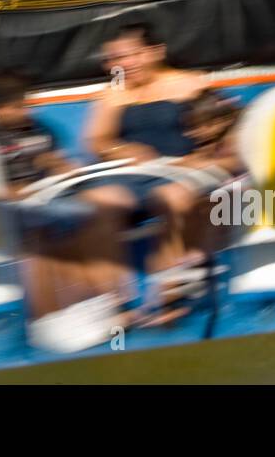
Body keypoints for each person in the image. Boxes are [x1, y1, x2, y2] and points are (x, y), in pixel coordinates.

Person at [84, 20, 240, 323]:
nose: (124, 64)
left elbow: (227, 128)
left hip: (184, 173)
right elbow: (97, 140)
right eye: (115, 58)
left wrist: (204, 160)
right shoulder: (113, 94)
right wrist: (121, 149)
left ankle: (169, 298)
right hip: (132, 176)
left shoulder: (191, 84)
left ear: (156, 51)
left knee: (171, 197)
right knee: (98, 201)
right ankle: (117, 305)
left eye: (133, 54)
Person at [0, 71, 134, 350]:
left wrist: (61, 167)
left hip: (47, 195)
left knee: (107, 203)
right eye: (19, 107)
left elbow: (58, 162)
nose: (27, 112)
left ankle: (106, 301)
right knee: (44, 226)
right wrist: (15, 192)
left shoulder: (37, 129)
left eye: (26, 104)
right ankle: (50, 321)